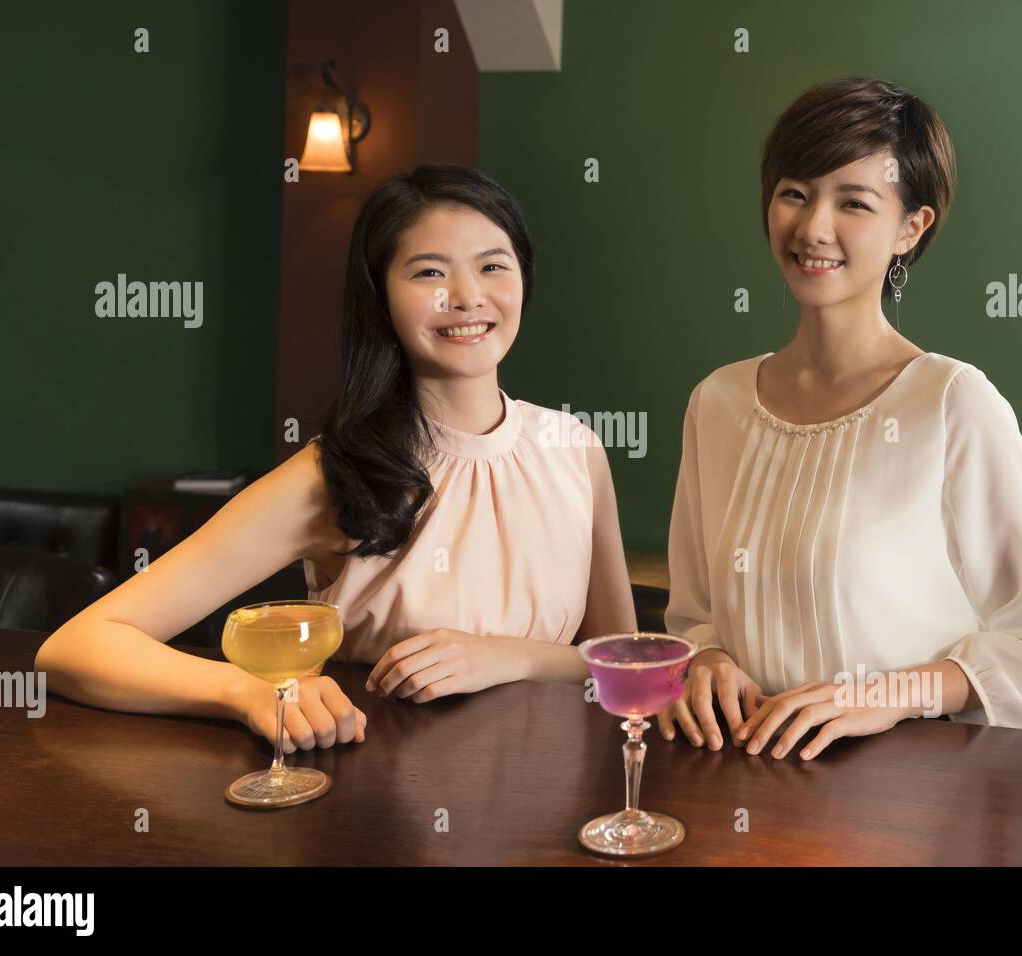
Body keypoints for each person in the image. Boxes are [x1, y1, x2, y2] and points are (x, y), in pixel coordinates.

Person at [36, 164, 637, 754]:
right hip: (382, 811)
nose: (468, 297)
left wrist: (510, 657)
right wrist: (250, 694)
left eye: (492, 266)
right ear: (380, 297)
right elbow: (76, 648)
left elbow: (627, 668)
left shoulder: (574, 447)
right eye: (430, 272)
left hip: (556, 816)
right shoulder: (336, 473)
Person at [658, 77, 1022, 760]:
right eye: (793, 193)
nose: (812, 228)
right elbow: (694, 616)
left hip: (904, 799)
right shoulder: (717, 401)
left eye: (853, 202)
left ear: (910, 228)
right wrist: (705, 658)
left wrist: (881, 696)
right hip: (739, 778)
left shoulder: (953, 402)